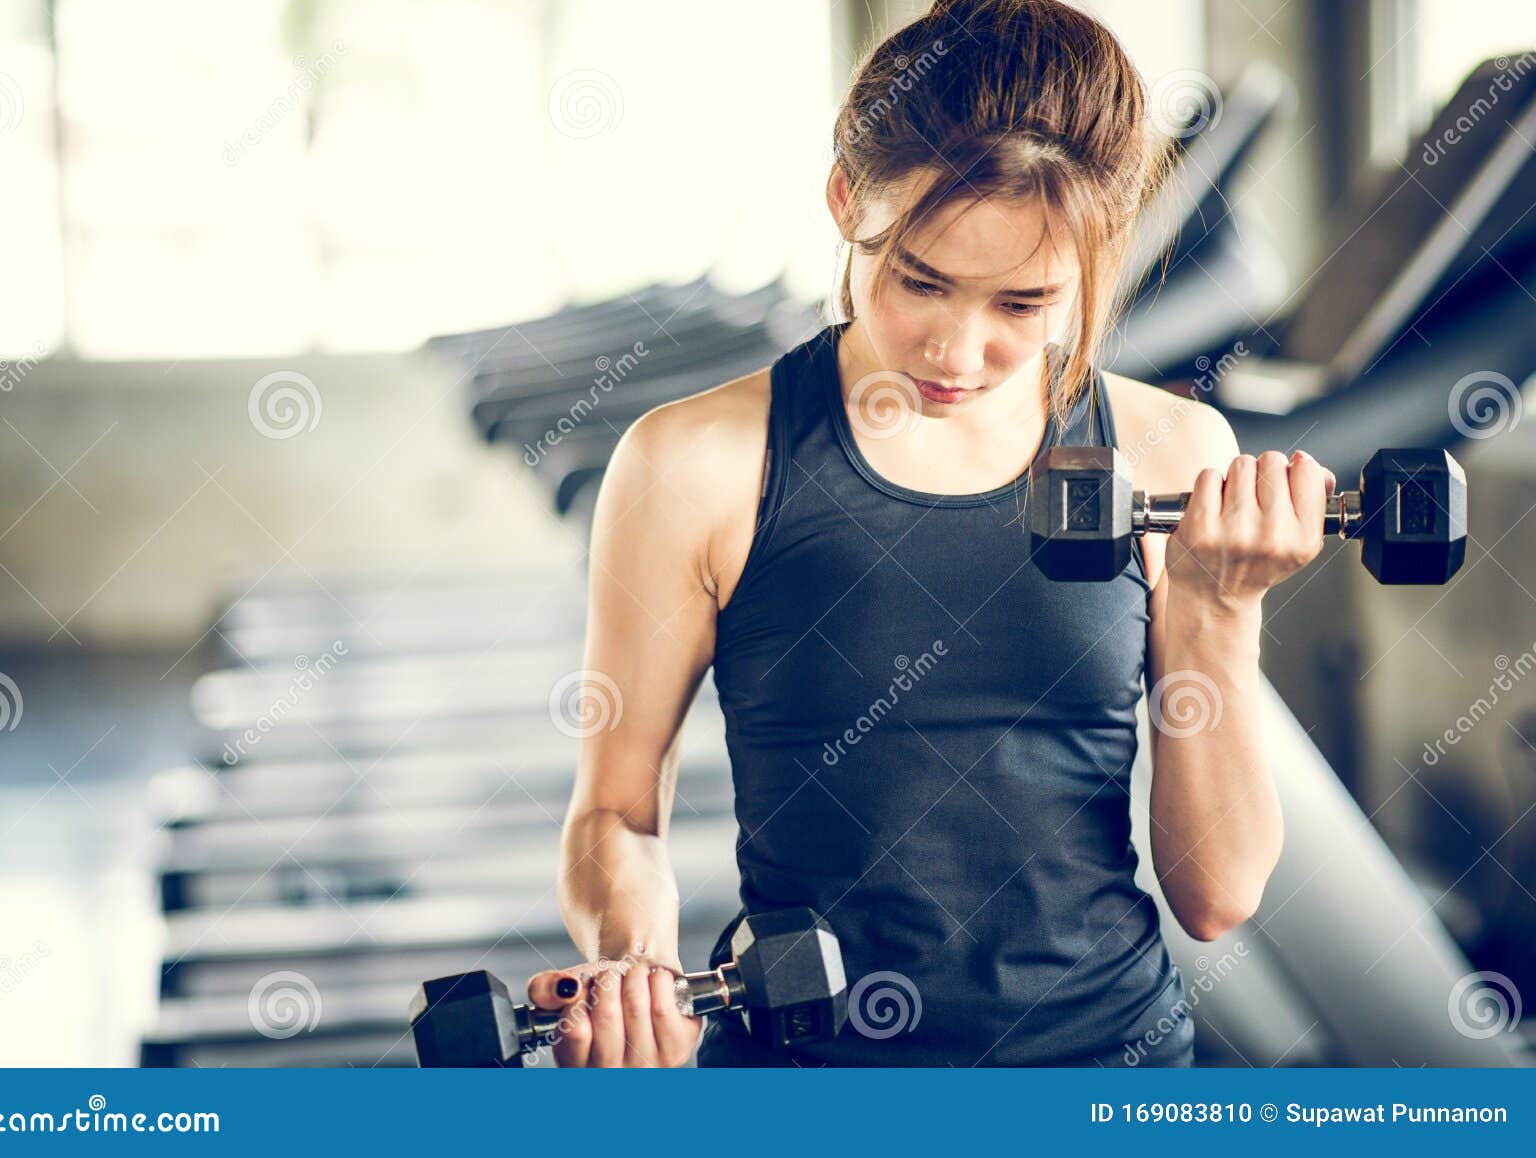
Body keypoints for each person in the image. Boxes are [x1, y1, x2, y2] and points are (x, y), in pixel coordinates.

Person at [526, 0, 1336, 1067]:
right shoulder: (692, 463)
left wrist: (1220, 608)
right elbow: (614, 819)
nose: (957, 351)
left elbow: (1218, 894)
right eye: (920, 281)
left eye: (1023, 304)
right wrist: (636, 964)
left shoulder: (1170, 449)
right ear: (844, 199)